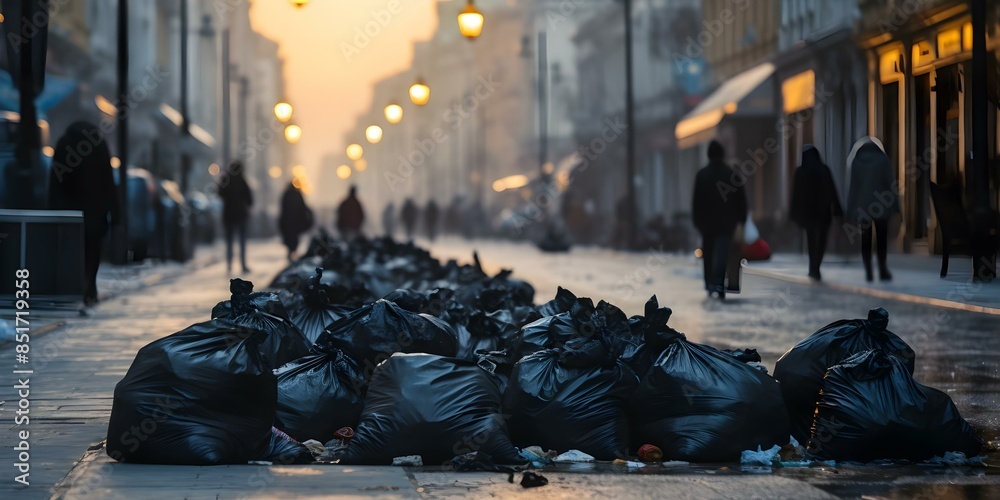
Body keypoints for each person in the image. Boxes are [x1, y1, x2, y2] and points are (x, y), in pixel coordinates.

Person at [48, 121, 120, 306]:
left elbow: (56, 180)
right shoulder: (99, 145)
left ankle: (73, 288)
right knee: (92, 251)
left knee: (71, 252)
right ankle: (89, 288)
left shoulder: (65, 142)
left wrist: (52, 209)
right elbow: (109, 181)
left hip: (69, 211)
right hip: (95, 211)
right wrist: (115, 213)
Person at [692, 140, 747, 299]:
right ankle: (719, 282)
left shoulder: (702, 175)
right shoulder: (731, 174)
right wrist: (741, 219)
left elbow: (696, 201)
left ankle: (710, 283)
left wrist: (697, 221)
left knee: (708, 254)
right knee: (722, 253)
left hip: (707, 224)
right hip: (727, 223)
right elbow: (740, 200)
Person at [846, 136, 897, 282]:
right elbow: (890, 183)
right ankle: (882, 269)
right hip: (881, 206)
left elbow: (853, 188)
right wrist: (896, 205)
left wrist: (850, 208)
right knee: (882, 239)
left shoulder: (856, 161)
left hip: (862, 207)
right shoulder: (883, 160)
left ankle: (868, 270)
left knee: (865, 240)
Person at [790, 145, 843, 281]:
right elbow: (832, 190)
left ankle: (813, 266)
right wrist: (837, 209)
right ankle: (816, 265)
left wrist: (793, 213)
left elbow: (795, 195)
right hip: (823, 211)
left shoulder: (800, 172)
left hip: (808, 213)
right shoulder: (824, 170)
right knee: (822, 240)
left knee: (811, 239)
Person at [218, 161, 253, 274]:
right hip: (241, 215)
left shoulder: (226, 180)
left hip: (228, 215)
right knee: (242, 241)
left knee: (229, 242)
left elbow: (220, 192)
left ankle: (229, 265)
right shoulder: (242, 181)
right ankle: (243, 265)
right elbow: (250, 199)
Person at [278, 181, 313, 262]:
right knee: (293, 239)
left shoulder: (286, 194)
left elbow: (283, 208)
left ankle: (291, 253)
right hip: (295, 221)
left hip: (288, 221)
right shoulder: (297, 194)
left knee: (290, 238)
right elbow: (303, 207)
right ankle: (292, 253)